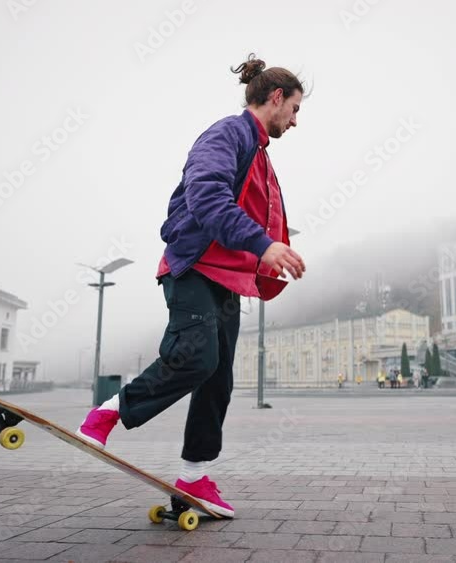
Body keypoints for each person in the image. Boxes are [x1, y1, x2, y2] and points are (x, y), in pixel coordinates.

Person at [74, 54, 306, 518]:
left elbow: (258, 211)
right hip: (195, 268)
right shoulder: (227, 134)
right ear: (276, 98)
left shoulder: (260, 154)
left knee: (217, 377)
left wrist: (268, 251)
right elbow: (205, 196)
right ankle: (107, 413)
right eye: (295, 110)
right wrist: (263, 245)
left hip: (226, 279)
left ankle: (194, 475)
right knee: (194, 357)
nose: (296, 122)